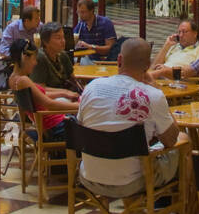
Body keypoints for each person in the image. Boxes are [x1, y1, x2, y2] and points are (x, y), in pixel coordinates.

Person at [76, 37, 181, 198]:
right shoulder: (153, 95)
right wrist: (158, 89)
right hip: (132, 182)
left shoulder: (91, 87)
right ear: (147, 66)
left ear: (119, 59)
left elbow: (81, 124)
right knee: (185, 146)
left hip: (89, 176)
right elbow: (171, 140)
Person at [8, 40, 79, 140]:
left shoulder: (13, 78)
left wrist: (64, 93)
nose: (35, 63)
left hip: (50, 125)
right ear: (25, 58)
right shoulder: (23, 80)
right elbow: (49, 104)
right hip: (56, 128)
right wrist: (79, 106)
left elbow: (40, 97)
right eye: (34, 59)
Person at [32, 22, 77, 93]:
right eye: (58, 38)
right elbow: (39, 88)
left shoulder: (63, 55)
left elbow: (73, 80)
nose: (63, 41)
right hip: (48, 98)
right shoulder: (39, 58)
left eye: (63, 37)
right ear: (45, 42)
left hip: (67, 94)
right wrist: (64, 93)